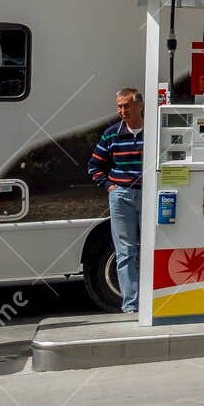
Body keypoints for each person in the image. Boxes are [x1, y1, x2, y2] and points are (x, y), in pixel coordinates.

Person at [87, 88, 144, 312]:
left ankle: (153, 299)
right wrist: (109, 186)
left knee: (152, 247)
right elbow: (94, 165)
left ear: (139, 106)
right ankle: (131, 304)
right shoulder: (112, 133)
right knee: (125, 251)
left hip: (148, 195)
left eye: (126, 106)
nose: (122, 110)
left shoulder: (156, 131)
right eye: (119, 106)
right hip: (121, 196)